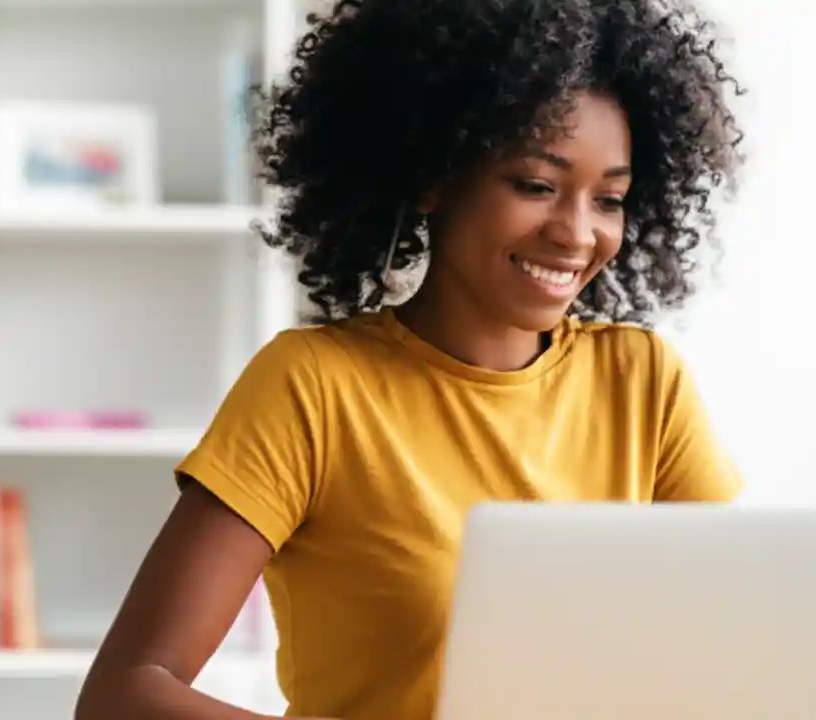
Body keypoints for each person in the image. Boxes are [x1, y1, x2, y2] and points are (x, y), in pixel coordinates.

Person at [75, 0, 745, 718]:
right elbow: (125, 694)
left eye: (609, 199)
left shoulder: (644, 384)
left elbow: (741, 645)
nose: (577, 233)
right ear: (435, 175)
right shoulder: (314, 389)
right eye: (536, 186)